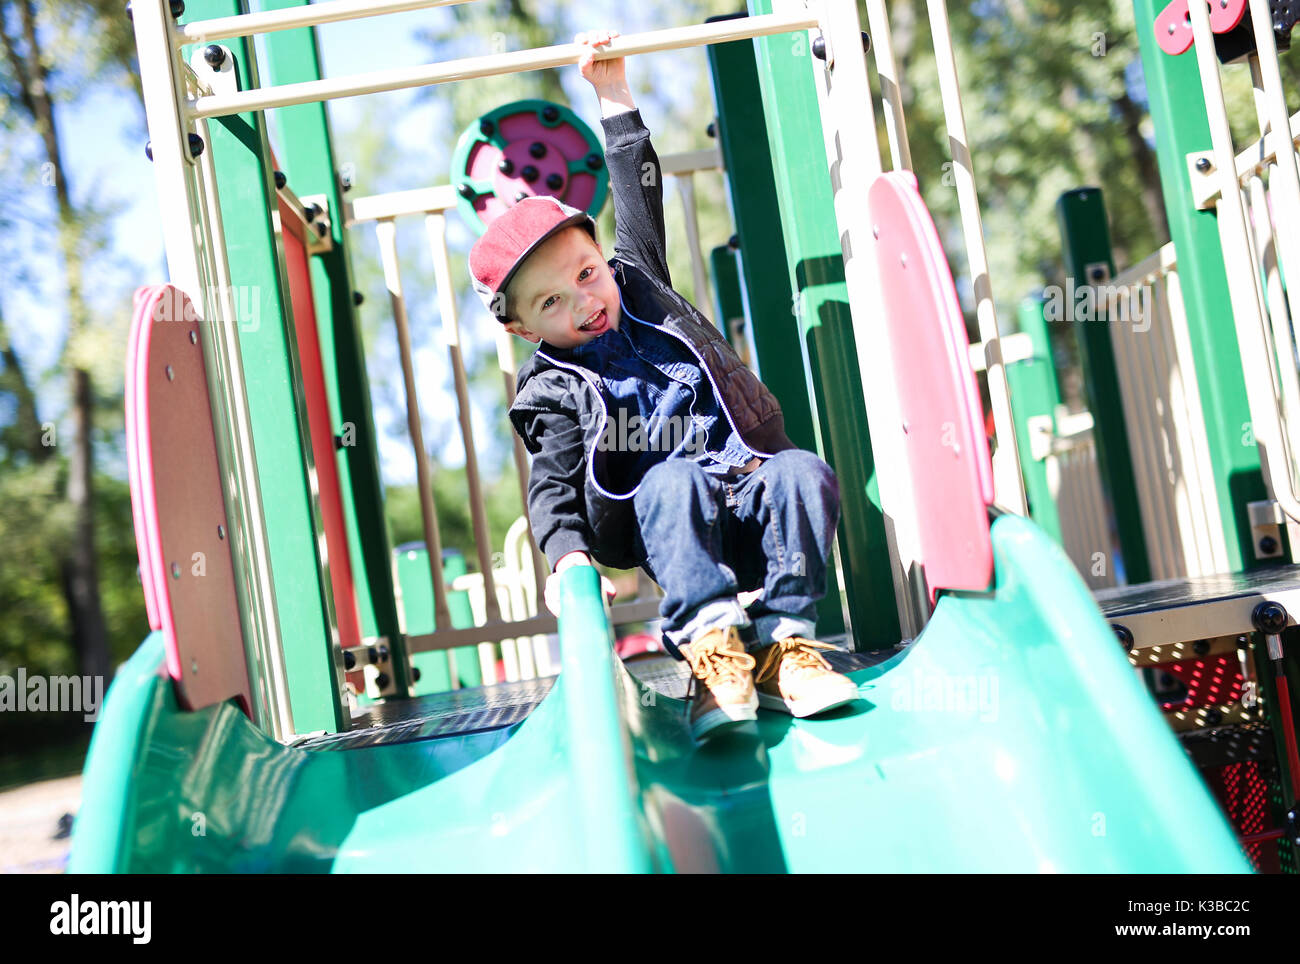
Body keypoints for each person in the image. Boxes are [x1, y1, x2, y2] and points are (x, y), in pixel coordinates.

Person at [469, 28, 858, 740]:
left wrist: (612, 92)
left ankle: (784, 645)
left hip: (750, 481)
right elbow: (550, 484)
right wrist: (566, 557)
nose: (584, 303)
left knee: (803, 470)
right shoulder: (550, 388)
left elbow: (635, 187)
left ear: (603, 260)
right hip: (671, 520)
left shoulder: (639, 283)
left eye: (587, 275)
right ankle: (713, 656)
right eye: (552, 303)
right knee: (670, 482)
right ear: (523, 329)